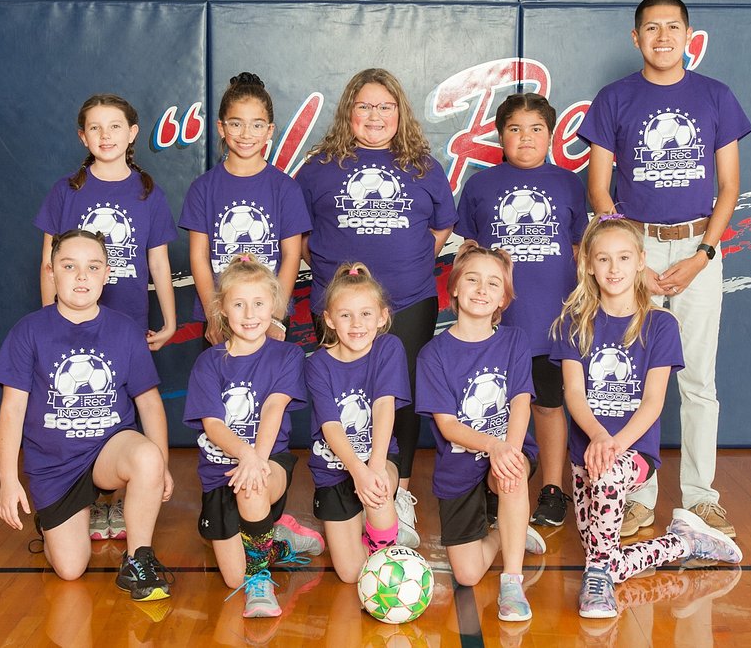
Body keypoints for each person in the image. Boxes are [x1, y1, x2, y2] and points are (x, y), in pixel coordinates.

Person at [579, 0, 751, 538]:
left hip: (699, 246)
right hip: (636, 248)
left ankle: (701, 497)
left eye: (672, 27)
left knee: (698, 380)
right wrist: (634, 262)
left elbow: (729, 188)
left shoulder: (715, 96)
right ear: (636, 38)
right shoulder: (614, 98)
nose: (661, 37)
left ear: (688, 36)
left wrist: (703, 254)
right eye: (651, 28)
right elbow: (599, 188)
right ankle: (636, 494)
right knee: (632, 381)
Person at [550, 215, 742, 618]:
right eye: (603, 259)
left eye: (623, 258)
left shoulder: (660, 324)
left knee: (600, 531)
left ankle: (598, 586)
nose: (614, 268)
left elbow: (653, 402)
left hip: (631, 453)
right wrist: (600, 439)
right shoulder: (574, 321)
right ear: (587, 263)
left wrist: (616, 445)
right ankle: (683, 543)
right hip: (588, 450)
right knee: (600, 549)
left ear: (641, 261)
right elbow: (574, 395)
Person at [297, 67, 458, 546]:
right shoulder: (318, 167)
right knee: (342, 397)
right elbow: (302, 239)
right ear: (349, 111)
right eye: (364, 105)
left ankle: (397, 494)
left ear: (400, 113)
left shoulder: (423, 167)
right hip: (339, 304)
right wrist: (342, 286)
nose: (375, 115)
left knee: (399, 397)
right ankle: (344, 489)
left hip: (407, 301)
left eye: (385, 107)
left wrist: (403, 266)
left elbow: (439, 231)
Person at [0, 229, 174, 601]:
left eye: (92, 267)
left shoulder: (124, 329)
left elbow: (150, 402)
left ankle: (139, 559)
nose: (81, 276)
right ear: (50, 271)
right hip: (55, 465)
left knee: (145, 457)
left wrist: (161, 464)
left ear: (107, 274)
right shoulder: (29, 331)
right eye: (69, 266)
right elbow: (12, 409)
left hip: (108, 450)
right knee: (72, 570)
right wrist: (8, 480)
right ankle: (55, 522)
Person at [34, 93, 178, 541]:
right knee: (82, 406)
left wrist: (170, 320)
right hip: (70, 323)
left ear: (132, 134)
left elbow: (158, 263)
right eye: (95, 128)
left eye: (115, 127)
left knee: (124, 409)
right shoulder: (67, 190)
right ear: (83, 136)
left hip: (128, 320)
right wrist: (47, 321)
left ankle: (117, 503)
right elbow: (47, 263)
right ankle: (83, 501)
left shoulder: (147, 191)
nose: (105, 136)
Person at [456, 93, 588, 527]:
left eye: (535, 129)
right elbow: (470, 253)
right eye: (514, 129)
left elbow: (577, 250)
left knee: (549, 405)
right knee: (494, 407)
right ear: (500, 136)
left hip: (553, 321)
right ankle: (495, 485)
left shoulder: (569, 184)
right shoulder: (480, 186)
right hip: (500, 323)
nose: (525, 137)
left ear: (551, 135)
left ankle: (552, 488)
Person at [183, 255, 324, 618]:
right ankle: (276, 539)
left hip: (268, 465)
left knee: (252, 488)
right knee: (232, 578)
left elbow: (273, 409)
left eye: (259, 303)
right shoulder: (207, 362)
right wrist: (244, 456)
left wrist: (256, 461)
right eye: (239, 304)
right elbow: (214, 426)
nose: (250, 314)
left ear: (274, 305)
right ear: (221, 310)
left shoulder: (288, 355)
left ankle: (260, 580)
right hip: (221, 472)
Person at [416, 240, 541, 622]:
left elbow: (521, 400)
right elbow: (448, 426)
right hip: (461, 466)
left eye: (493, 283)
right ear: (453, 287)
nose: (482, 290)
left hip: (506, 454)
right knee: (468, 574)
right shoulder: (433, 354)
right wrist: (494, 446)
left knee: (512, 474)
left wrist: (509, 452)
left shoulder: (515, 340)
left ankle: (512, 582)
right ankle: (509, 529)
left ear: (504, 298)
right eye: (472, 280)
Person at [179, 72, 311, 345]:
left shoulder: (285, 189)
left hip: (268, 315)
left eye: (257, 125)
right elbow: (199, 257)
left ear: (270, 131)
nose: (246, 134)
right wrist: (214, 316)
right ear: (221, 127)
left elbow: (290, 255)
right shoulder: (203, 188)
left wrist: (275, 316)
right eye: (236, 124)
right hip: (223, 314)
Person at [306, 263, 409, 582]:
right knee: (350, 575)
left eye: (365, 314)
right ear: (329, 319)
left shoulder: (388, 348)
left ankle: (384, 555)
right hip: (334, 469)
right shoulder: (317, 364)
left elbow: (383, 406)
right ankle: (368, 531)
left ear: (382, 316)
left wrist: (374, 467)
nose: (356, 324)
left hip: (376, 458)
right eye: (345, 315)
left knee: (378, 487)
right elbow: (331, 427)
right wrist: (358, 471)